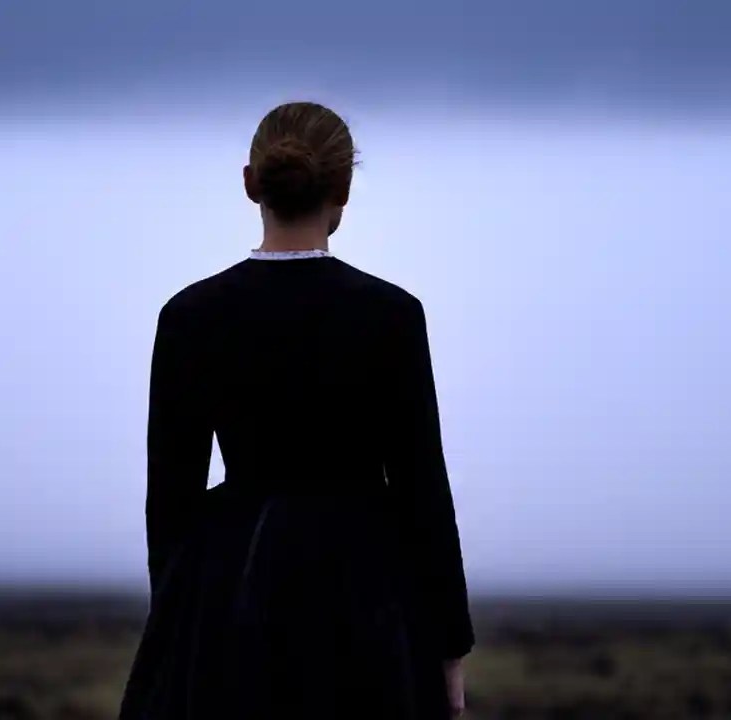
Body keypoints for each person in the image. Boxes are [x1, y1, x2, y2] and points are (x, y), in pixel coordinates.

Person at [117, 101, 474, 719]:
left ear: (250, 183)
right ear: (344, 190)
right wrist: (448, 647)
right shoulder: (390, 315)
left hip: (228, 591)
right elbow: (423, 493)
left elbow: (168, 502)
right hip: (367, 599)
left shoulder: (191, 316)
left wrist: (177, 629)